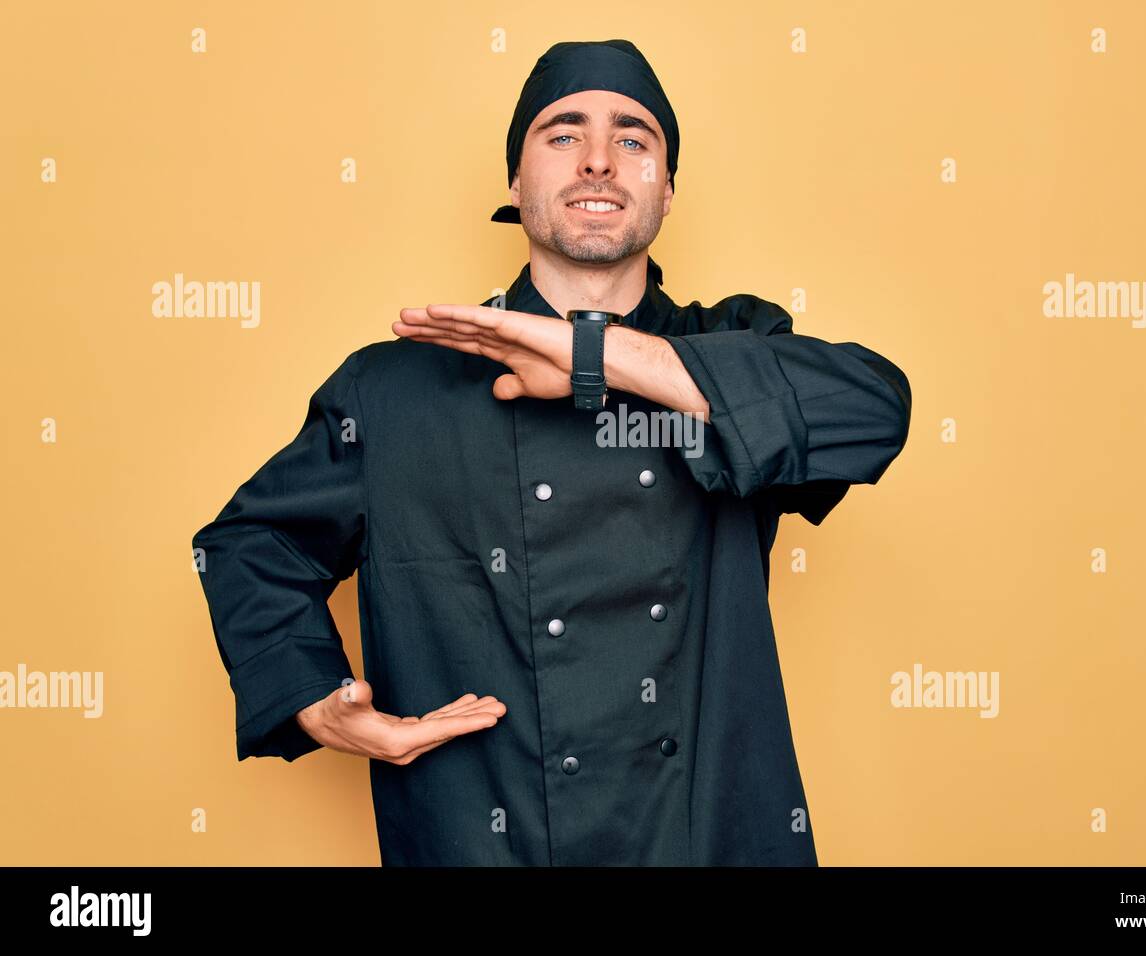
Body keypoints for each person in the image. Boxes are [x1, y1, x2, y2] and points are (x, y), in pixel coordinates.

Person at [191, 38, 912, 866]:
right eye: (564, 134)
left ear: (668, 190)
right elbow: (249, 546)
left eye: (634, 139)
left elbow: (876, 409)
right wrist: (313, 696)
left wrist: (594, 359)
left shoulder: (733, 348)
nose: (600, 160)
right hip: (489, 838)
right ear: (515, 179)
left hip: (705, 837)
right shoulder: (396, 391)